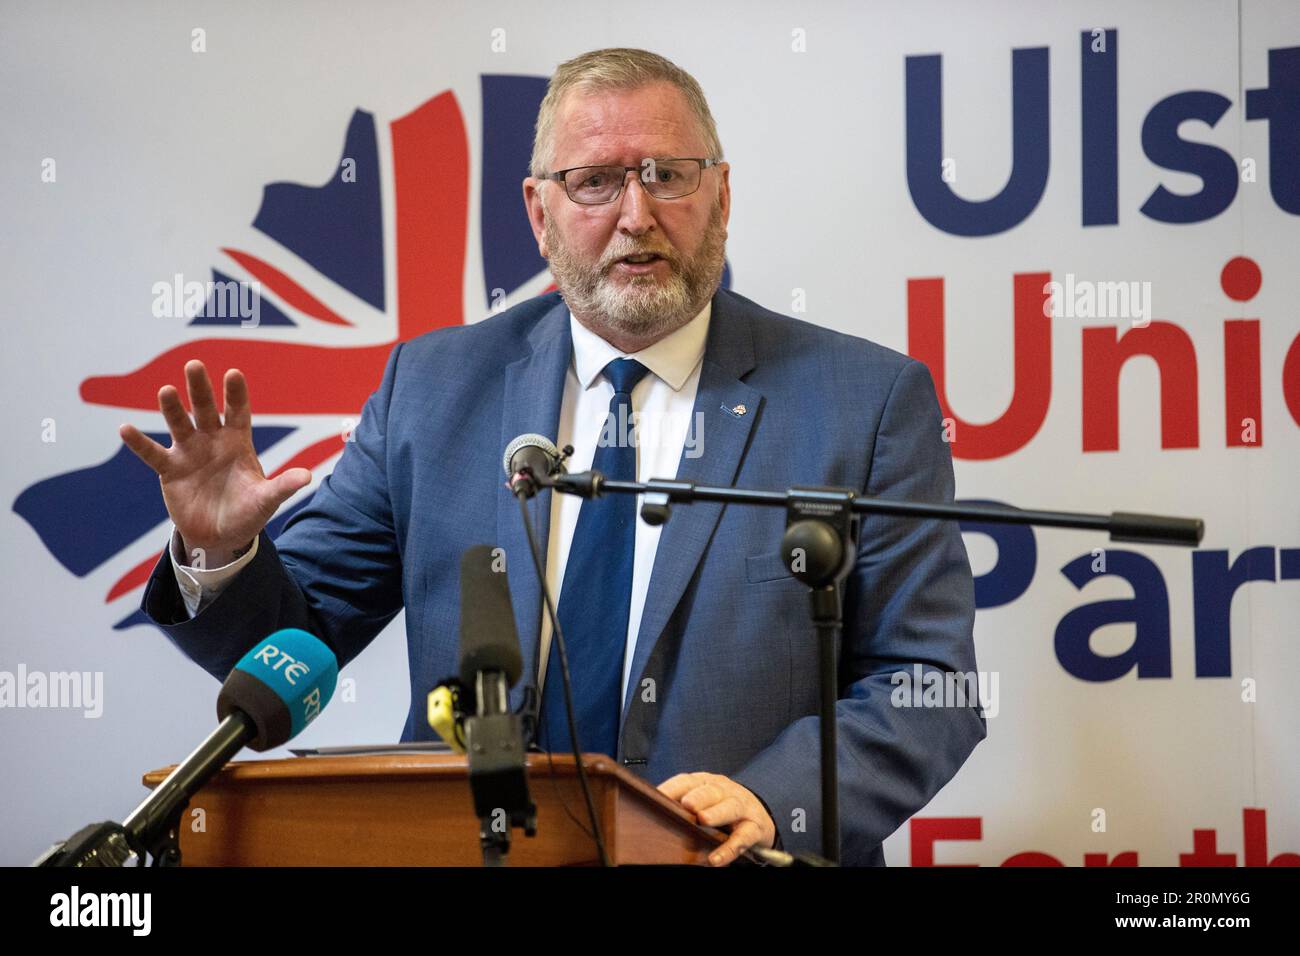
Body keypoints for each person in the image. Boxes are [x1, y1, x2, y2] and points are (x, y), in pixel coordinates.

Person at [121, 48, 985, 866]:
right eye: (595, 182)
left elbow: (926, 684)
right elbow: (301, 640)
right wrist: (223, 554)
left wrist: (772, 798)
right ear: (540, 213)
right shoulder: (435, 387)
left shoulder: (863, 402)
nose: (636, 214)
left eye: (668, 176)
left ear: (721, 198)